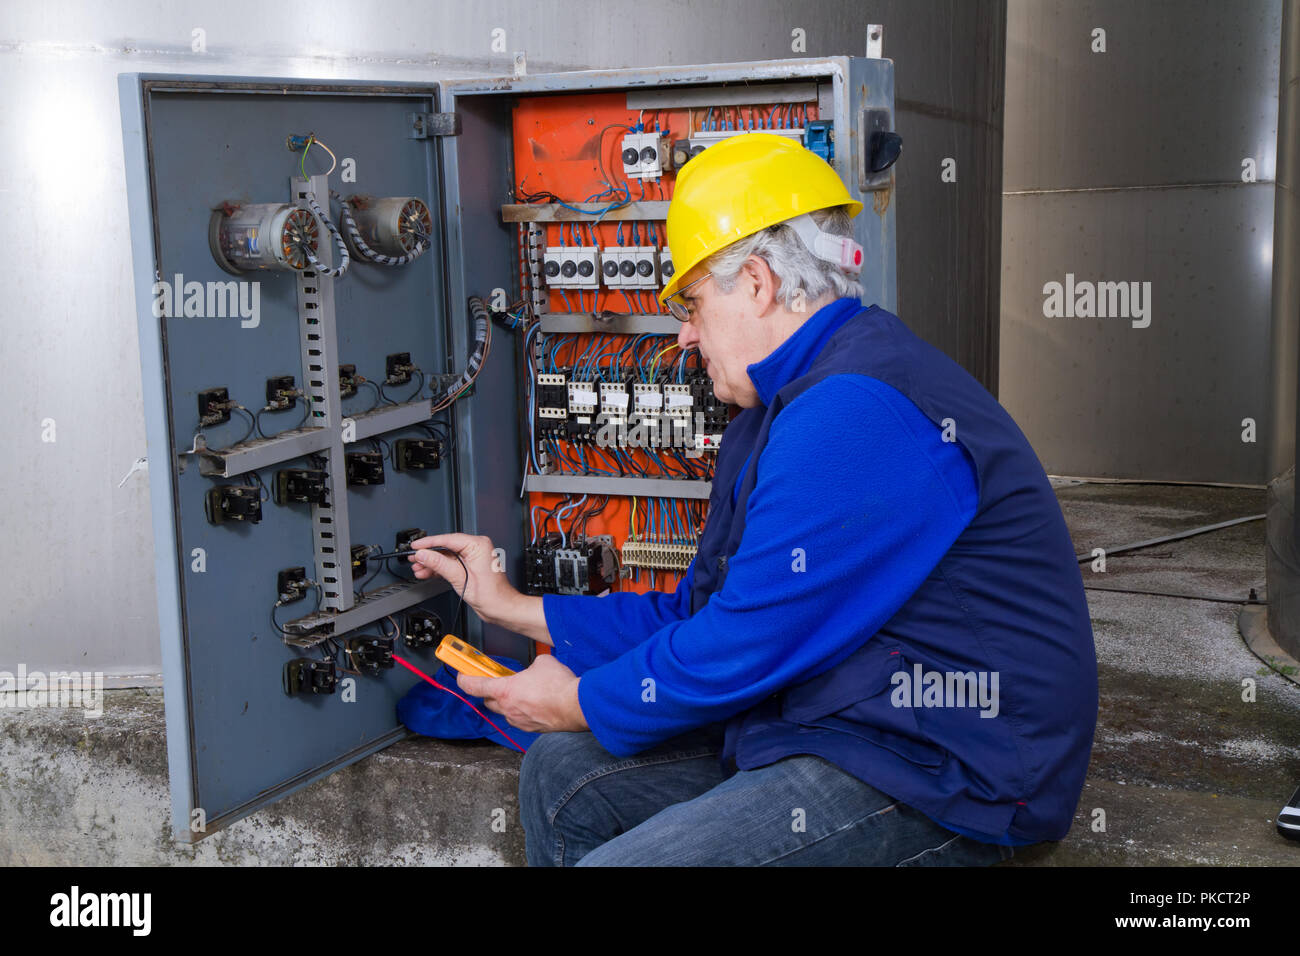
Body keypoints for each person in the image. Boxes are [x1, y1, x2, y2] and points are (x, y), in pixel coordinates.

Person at [407, 133, 1098, 866]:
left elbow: (743, 643)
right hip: (831, 716)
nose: (683, 335)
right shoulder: (776, 407)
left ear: (760, 284)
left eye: (693, 303)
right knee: (565, 777)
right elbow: (700, 613)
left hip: (949, 769)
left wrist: (577, 702)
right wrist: (510, 607)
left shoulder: (856, 409)